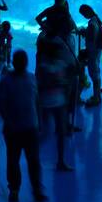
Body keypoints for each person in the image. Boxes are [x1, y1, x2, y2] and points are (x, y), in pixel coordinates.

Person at [0, 50, 45, 202]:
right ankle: (15, 189)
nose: (22, 63)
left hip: (30, 127)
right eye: (20, 60)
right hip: (15, 129)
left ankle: (35, 188)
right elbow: (1, 104)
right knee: (14, 160)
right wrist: (7, 121)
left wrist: (40, 121)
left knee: (32, 161)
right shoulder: (6, 80)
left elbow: (37, 101)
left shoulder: (31, 77)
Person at [36, 35, 75, 171]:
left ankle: (61, 160)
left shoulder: (61, 64)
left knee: (61, 133)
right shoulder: (44, 66)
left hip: (60, 102)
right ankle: (34, 152)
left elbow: (65, 81)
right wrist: (59, 82)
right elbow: (42, 85)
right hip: (46, 103)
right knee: (46, 132)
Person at [78, 4, 102, 105]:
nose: (84, 16)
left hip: (92, 52)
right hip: (96, 52)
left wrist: (84, 32)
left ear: (88, 11)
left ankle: (96, 98)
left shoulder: (92, 23)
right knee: (95, 73)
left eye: (84, 14)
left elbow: (92, 38)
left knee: (94, 75)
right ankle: (97, 96)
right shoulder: (96, 19)